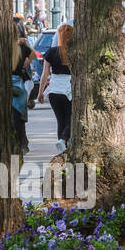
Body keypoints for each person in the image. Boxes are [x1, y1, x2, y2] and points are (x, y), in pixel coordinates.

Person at [40, 22, 74, 154]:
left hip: (54, 90)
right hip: (69, 90)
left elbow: (44, 74)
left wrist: (40, 92)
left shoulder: (51, 52)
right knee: (70, 119)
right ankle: (64, 140)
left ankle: (62, 148)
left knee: (60, 120)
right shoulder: (74, 53)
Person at [11, 36, 32, 154]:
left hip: (6, 84)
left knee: (13, 118)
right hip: (19, 85)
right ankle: (23, 143)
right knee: (19, 118)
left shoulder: (1, 47)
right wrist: (25, 63)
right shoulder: (22, 48)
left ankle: (21, 143)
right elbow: (32, 57)